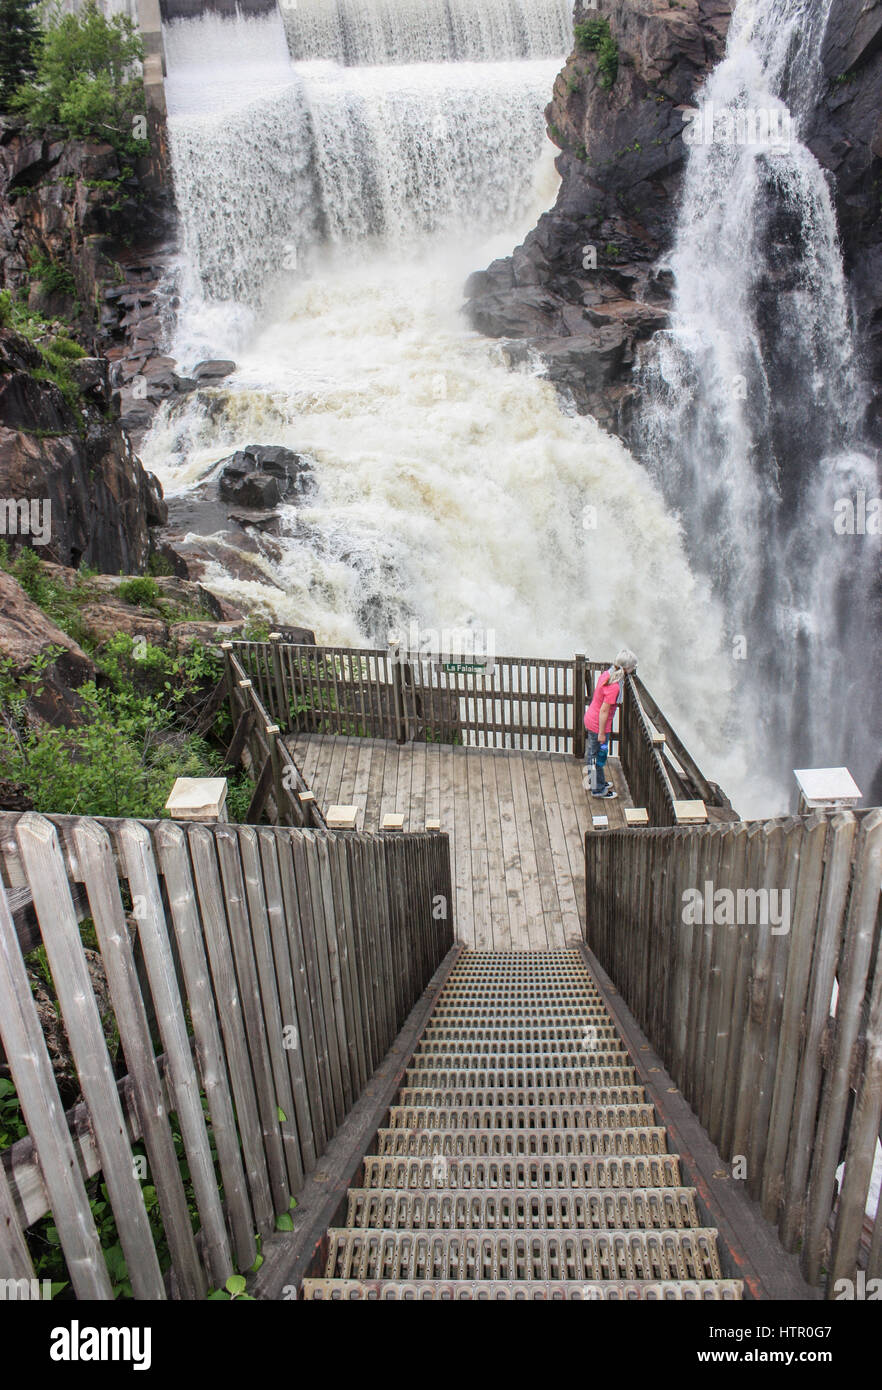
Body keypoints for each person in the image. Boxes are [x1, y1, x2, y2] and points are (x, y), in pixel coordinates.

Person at [583, 649, 638, 798]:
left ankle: (595, 781)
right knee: (596, 757)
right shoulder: (613, 687)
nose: (634, 670)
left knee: (594, 755)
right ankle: (597, 789)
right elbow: (604, 711)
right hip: (597, 724)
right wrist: (601, 733)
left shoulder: (607, 675)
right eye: (633, 667)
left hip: (591, 718)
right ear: (626, 669)